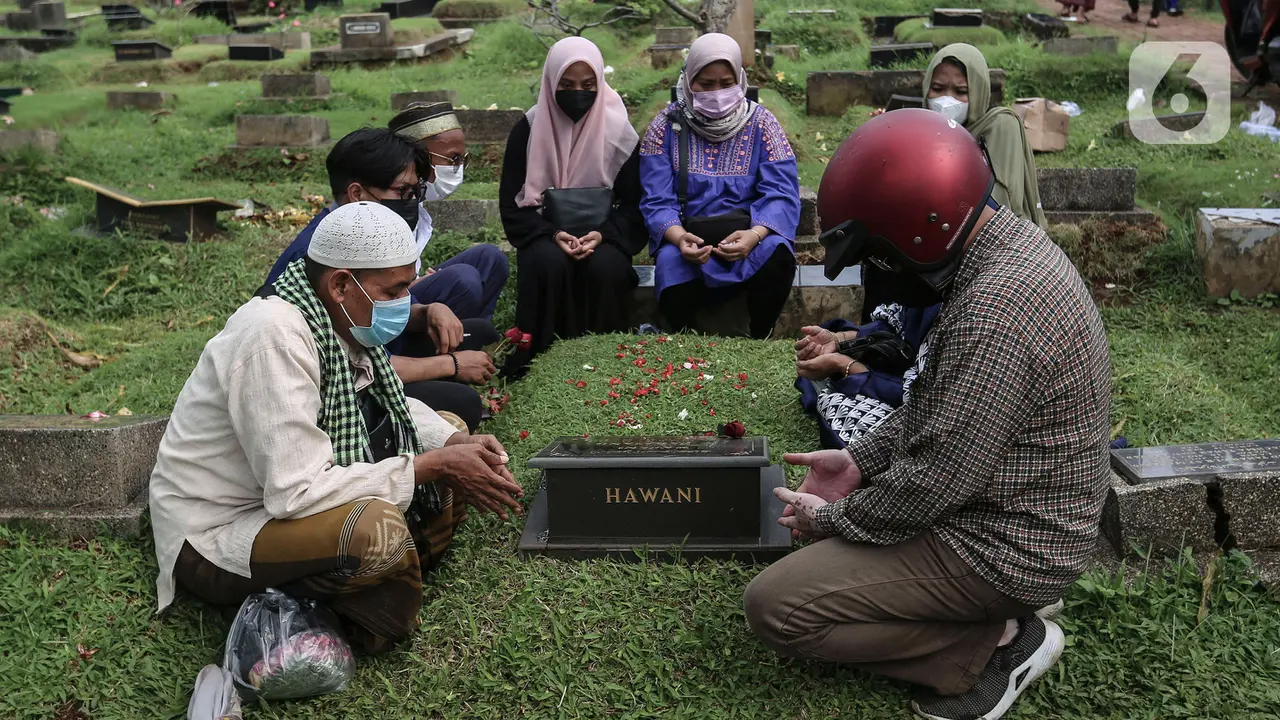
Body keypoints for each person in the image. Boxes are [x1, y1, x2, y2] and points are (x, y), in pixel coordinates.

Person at [744, 110, 1112, 720]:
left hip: (1006, 544)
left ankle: (993, 645)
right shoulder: (1005, 251)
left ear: (920, 230)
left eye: (879, 257)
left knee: (777, 605)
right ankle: (984, 620)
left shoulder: (994, 316)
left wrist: (837, 518)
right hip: (1003, 506)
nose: (877, 276)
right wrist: (859, 460)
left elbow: (934, 480)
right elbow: (940, 408)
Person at [151, 202, 525, 654]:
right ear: (342, 284)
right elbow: (294, 490)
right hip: (221, 529)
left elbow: (388, 401)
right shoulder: (272, 335)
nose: (408, 302)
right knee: (374, 528)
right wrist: (429, 466)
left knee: (445, 426)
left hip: (282, 504)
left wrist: (453, 443)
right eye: (396, 289)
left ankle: (405, 564)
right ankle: (362, 622)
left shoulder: (337, 319)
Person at [267, 128, 498, 431]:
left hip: (372, 350)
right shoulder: (319, 258)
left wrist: (427, 311)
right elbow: (349, 362)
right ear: (357, 194)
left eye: (416, 192)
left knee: (476, 332)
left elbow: (383, 311)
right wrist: (451, 366)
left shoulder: (367, 237)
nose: (411, 202)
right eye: (402, 193)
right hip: (344, 378)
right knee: (461, 402)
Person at [498, 36, 645, 373]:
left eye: (588, 85)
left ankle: (607, 360)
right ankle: (539, 362)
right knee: (548, 262)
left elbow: (635, 205)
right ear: (551, 82)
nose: (578, 93)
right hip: (545, 232)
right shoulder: (529, 129)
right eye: (566, 84)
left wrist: (603, 234)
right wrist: (553, 234)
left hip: (603, 233)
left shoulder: (619, 132)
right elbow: (512, 205)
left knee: (606, 267)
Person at [640, 33, 800, 339]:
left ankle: (760, 337)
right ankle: (686, 339)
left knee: (776, 252)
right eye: (706, 84)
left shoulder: (763, 125)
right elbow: (656, 200)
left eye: (726, 83)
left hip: (748, 236)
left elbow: (781, 193)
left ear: (740, 79)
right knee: (671, 263)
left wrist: (754, 236)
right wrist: (679, 237)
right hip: (688, 239)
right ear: (688, 82)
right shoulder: (664, 128)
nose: (717, 92)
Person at [388, 101, 509, 323]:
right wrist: (409, 286)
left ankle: (474, 333)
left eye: (463, 159)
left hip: (407, 288)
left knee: (490, 258)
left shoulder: (417, 202)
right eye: (453, 159)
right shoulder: (389, 201)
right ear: (420, 156)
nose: (459, 168)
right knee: (463, 279)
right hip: (388, 304)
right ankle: (438, 348)